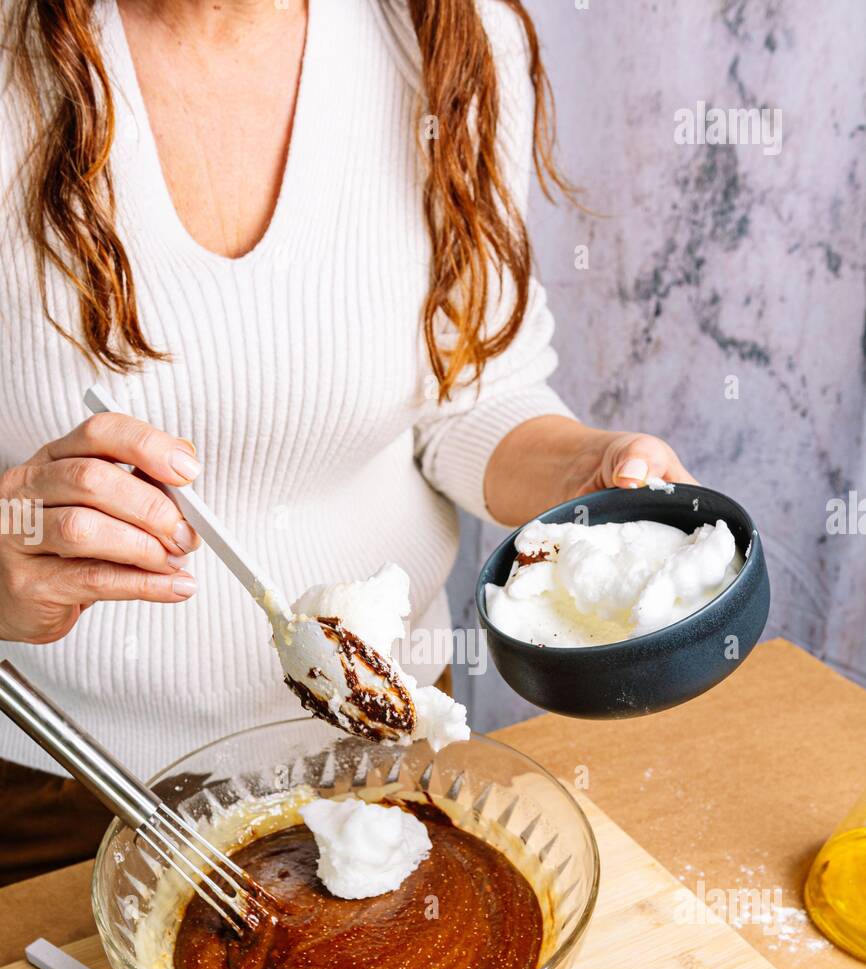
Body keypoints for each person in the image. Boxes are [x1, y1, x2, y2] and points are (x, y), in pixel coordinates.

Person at [0, 0, 694, 883]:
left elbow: (470, 394)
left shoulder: (454, 37)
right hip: (63, 787)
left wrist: (589, 474)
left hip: (385, 752)